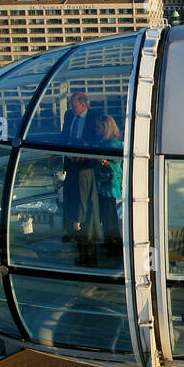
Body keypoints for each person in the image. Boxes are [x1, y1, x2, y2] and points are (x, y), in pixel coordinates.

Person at [60, 92, 100, 266]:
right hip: (72, 164)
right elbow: (63, 135)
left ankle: (86, 251)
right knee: (71, 197)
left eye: (73, 105)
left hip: (85, 164)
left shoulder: (95, 117)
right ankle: (73, 230)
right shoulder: (69, 116)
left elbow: (98, 140)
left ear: (83, 105)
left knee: (82, 200)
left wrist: (83, 152)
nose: (70, 108)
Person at [93, 114, 124, 255]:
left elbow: (116, 164)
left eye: (99, 126)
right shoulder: (103, 142)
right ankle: (109, 242)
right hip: (103, 184)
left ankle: (114, 246)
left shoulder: (114, 144)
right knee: (107, 216)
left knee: (110, 215)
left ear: (106, 128)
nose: (96, 129)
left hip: (109, 185)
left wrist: (103, 161)